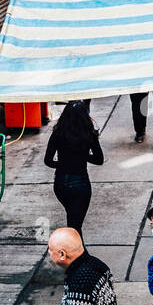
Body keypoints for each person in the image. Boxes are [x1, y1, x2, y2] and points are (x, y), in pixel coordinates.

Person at [43, 100, 104, 236]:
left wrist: (64, 162)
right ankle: (76, 253)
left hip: (61, 183)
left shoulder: (58, 134)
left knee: (72, 220)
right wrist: (82, 156)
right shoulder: (89, 135)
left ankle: (75, 252)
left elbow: (48, 161)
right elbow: (99, 160)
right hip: (80, 184)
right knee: (75, 225)